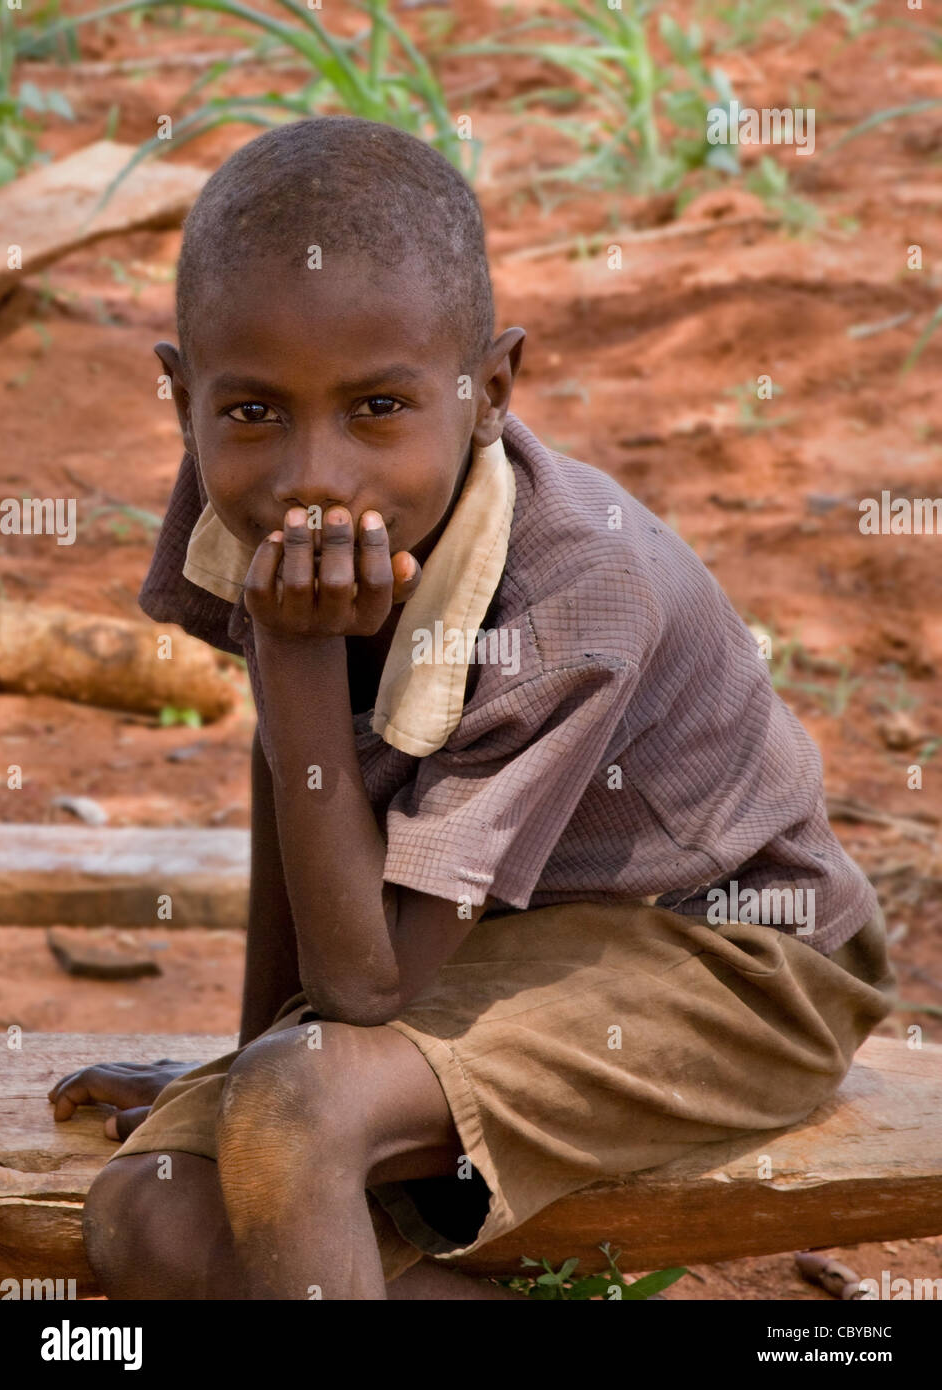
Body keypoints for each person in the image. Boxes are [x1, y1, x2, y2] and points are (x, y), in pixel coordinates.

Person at [49, 116, 896, 1301]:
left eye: (379, 409)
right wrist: (244, 1058)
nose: (313, 478)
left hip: (731, 958)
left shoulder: (572, 600)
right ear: (183, 396)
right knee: (152, 1216)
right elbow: (295, 767)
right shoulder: (249, 499)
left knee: (297, 1110)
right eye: (251, 414)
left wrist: (296, 660)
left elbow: (367, 992)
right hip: (474, 931)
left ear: (491, 388)